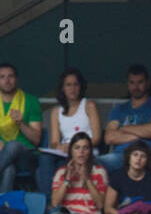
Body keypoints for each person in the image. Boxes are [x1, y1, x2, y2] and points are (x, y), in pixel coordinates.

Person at [0, 63, 42, 196]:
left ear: (16, 79)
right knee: (7, 169)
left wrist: (21, 123)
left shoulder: (31, 101)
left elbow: (36, 140)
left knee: (13, 145)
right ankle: (2, 209)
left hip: (27, 157)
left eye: (10, 76)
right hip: (1, 157)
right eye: (2, 77)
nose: (7, 80)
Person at [36, 68, 102, 197]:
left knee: (45, 172)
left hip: (85, 152)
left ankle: (53, 204)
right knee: (44, 158)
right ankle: (52, 204)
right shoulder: (56, 112)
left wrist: (75, 147)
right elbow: (54, 143)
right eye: (68, 85)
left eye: (75, 84)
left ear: (81, 87)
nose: (72, 88)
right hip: (65, 153)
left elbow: (97, 138)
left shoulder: (89, 106)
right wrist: (60, 146)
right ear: (62, 88)